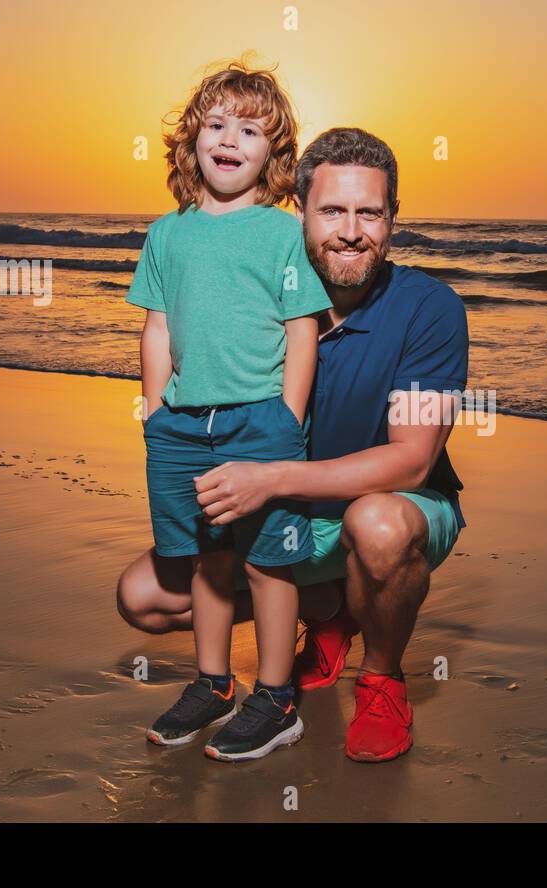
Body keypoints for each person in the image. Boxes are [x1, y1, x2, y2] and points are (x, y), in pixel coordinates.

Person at [118, 126, 470, 762]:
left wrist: (273, 477)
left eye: (370, 211)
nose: (351, 230)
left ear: (394, 219)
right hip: (282, 516)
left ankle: (382, 679)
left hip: (394, 505)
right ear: (298, 212)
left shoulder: (431, 308)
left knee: (378, 524)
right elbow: (171, 340)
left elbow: (412, 461)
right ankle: (329, 606)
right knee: (142, 596)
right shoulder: (258, 296)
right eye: (332, 210)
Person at [128, 61, 330, 762]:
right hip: (182, 424)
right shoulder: (167, 233)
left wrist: (287, 418)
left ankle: (275, 697)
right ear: (192, 140)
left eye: (249, 130)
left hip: (259, 420)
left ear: (272, 153)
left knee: (269, 563)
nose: (229, 140)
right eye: (216, 124)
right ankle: (213, 684)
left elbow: (303, 326)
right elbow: (156, 326)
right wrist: (155, 409)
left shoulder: (281, 233)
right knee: (207, 560)